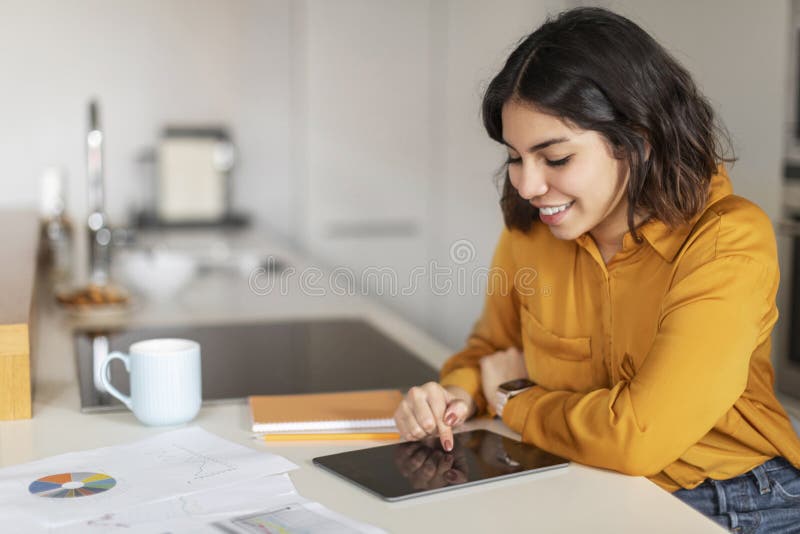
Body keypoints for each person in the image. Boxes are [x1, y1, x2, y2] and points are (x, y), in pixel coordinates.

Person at [393, 6, 800, 532]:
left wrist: (514, 399)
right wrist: (452, 395)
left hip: (732, 497)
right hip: (591, 479)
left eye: (555, 158)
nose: (527, 185)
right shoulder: (532, 230)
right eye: (515, 156)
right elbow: (492, 354)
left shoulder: (727, 241)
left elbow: (637, 439)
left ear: (640, 139)